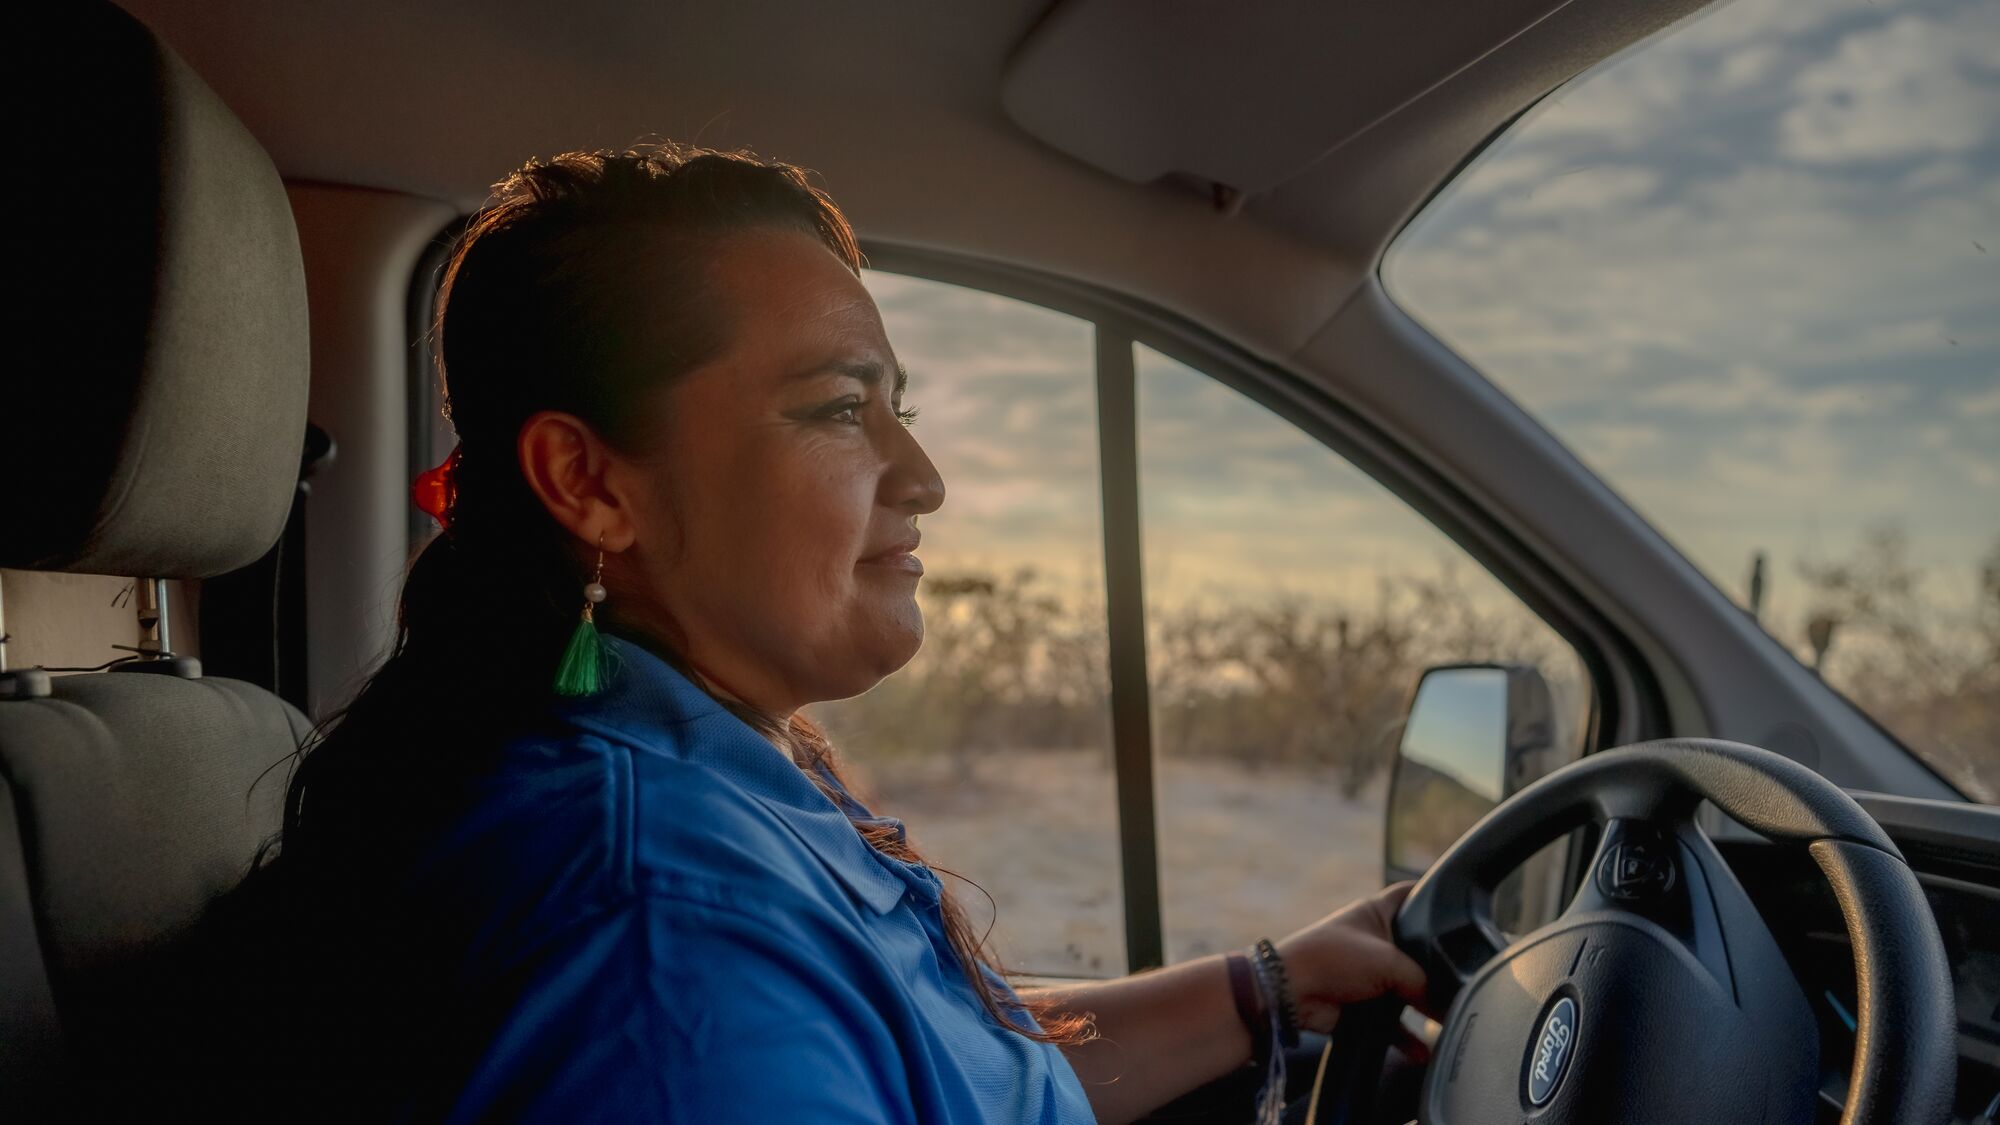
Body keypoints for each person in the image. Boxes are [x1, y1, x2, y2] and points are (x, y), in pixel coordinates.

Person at [248, 144, 1427, 1123]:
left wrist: (1268, 985)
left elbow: (953, 1070)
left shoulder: (705, 790)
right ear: (590, 483)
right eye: (835, 409)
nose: (921, 477)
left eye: (895, 408)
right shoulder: (659, 938)